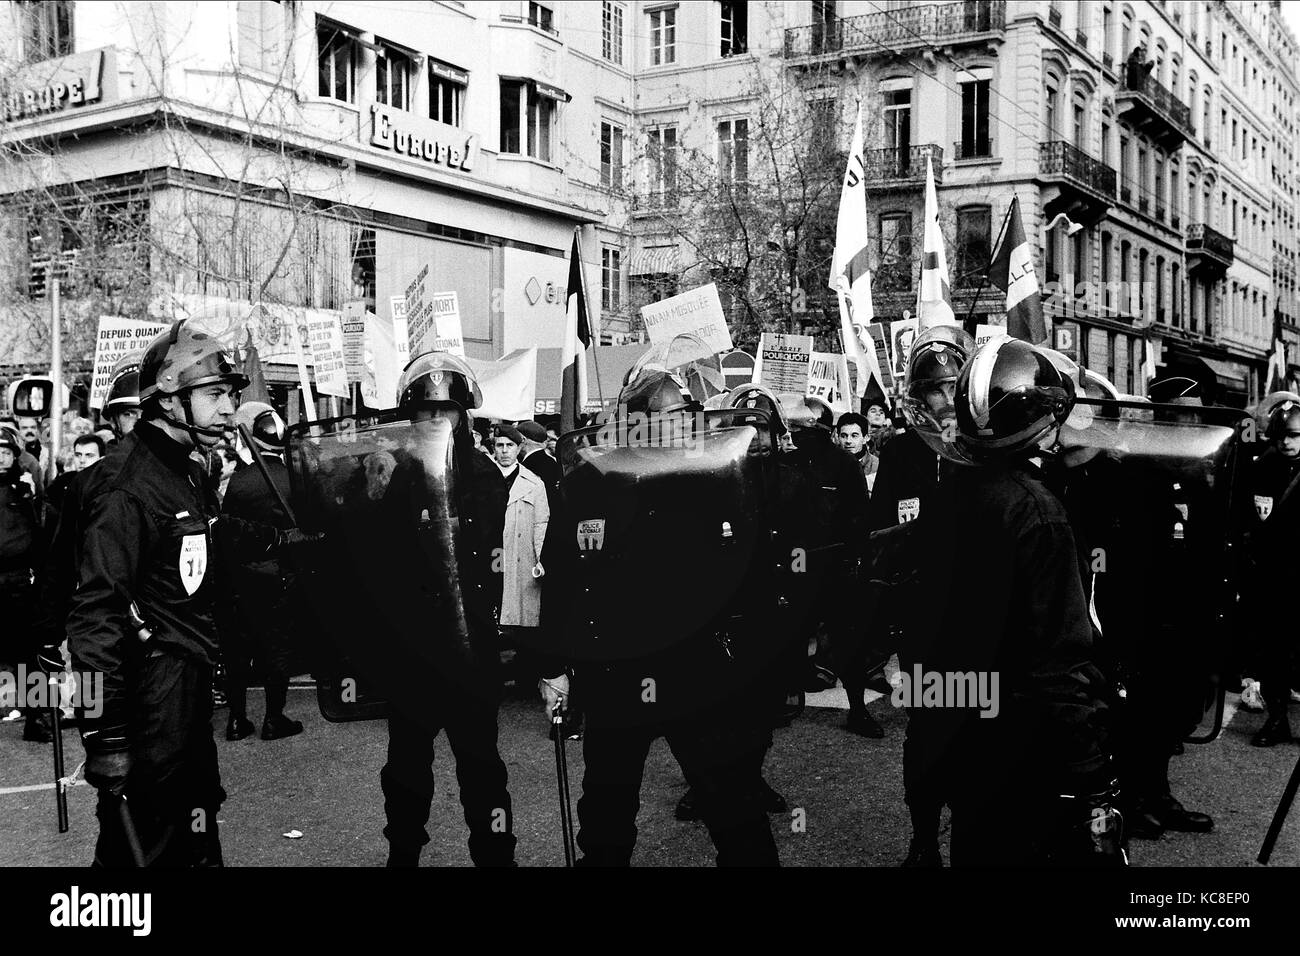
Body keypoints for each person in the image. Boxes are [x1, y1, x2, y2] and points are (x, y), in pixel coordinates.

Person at [540, 357, 782, 866]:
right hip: (615, 668)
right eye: (663, 422)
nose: (675, 431)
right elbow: (562, 576)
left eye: (682, 419)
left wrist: (750, 653)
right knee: (605, 812)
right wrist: (554, 666)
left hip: (694, 666)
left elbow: (747, 571)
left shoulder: (716, 481)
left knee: (732, 805)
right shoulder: (588, 484)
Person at [65, 319, 284, 867]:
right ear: (167, 401)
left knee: (196, 819)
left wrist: (292, 540)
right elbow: (94, 617)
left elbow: (212, 539)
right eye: (214, 395)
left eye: (231, 395)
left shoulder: (187, 470)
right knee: (141, 845)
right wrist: (106, 737)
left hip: (187, 687)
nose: (229, 408)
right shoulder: (125, 488)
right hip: (146, 699)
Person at [911, 336, 1118, 866]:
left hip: (967, 725)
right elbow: (1057, 656)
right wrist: (1091, 769)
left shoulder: (958, 486)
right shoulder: (1036, 511)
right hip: (1024, 743)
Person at [871, 324, 975, 865]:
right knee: (929, 740)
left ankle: (973, 842)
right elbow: (882, 539)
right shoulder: (901, 452)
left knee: (980, 739)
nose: (948, 396)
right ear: (919, 395)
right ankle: (923, 840)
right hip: (925, 627)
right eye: (937, 387)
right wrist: (889, 632)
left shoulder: (985, 448)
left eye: (957, 384)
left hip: (980, 621)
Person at [219, 401, 304, 742]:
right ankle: (273, 717)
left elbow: (227, 532)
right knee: (276, 648)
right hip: (279, 577)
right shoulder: (293, 479)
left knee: (238, 651)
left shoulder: (237, 483)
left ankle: (237, 719)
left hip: (241, 579)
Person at [1247, 399, 1300, 746]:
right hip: (1274, 573)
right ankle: (1277, 719)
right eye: (1281, 435)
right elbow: (1250, 517)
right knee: (1273, 654)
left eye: (1295, 435)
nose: (1287, 442)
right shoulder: (1264, 466)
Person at [0, 430, 47, 742]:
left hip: (19, 579)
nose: (0, 457)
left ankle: (35, 717)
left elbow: (41, 527)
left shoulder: (25, 486)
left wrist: (32, 495)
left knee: (26, 652)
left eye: (5, 451)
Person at [836, 412, 878, 489]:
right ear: (838, 437)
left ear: (866, 438)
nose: (848, 441)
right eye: (843, 436)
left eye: (854, 436)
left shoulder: (877, 467)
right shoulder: (830, 464)